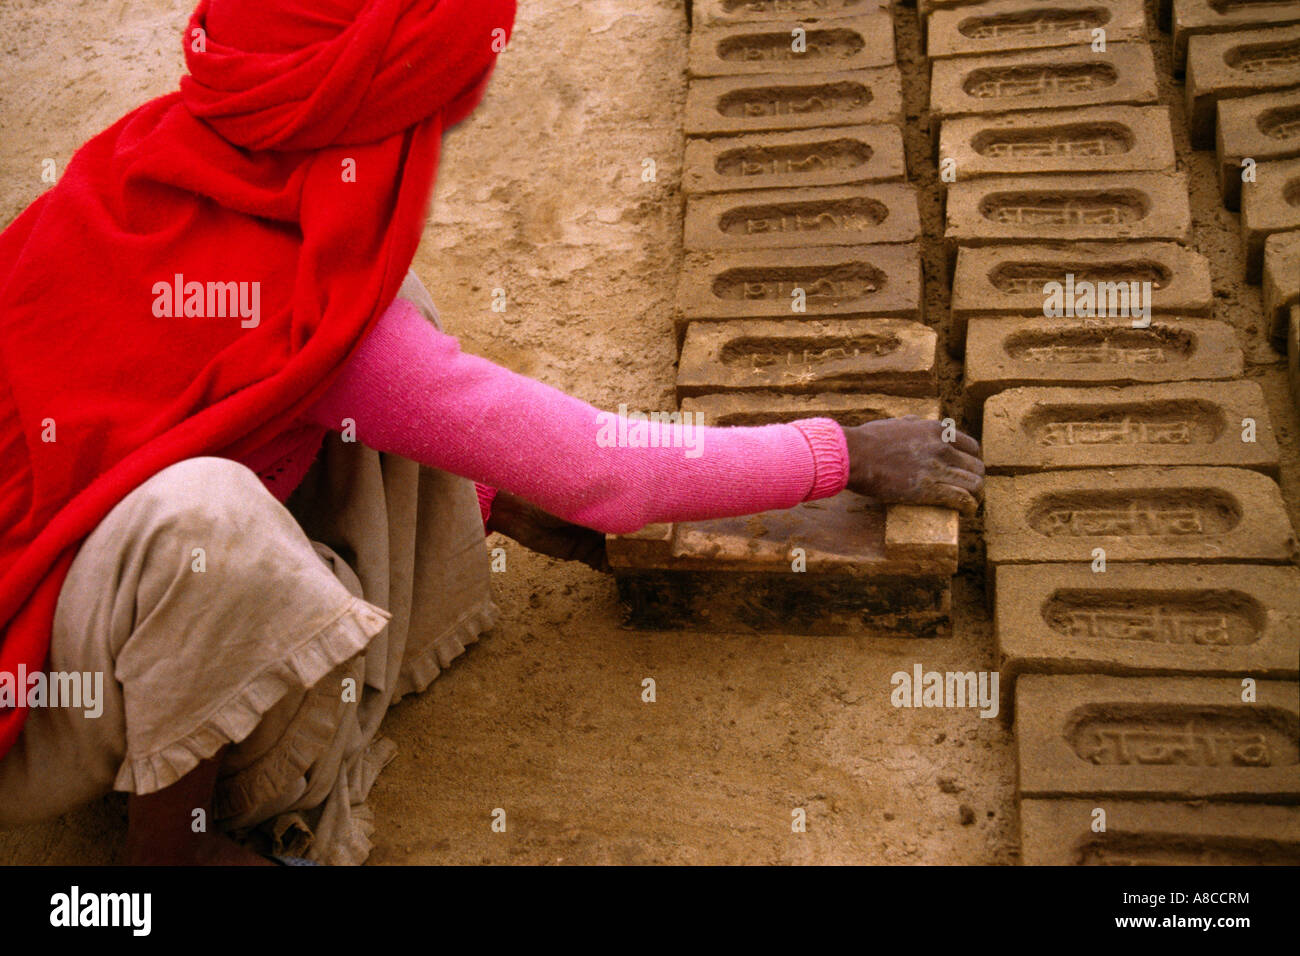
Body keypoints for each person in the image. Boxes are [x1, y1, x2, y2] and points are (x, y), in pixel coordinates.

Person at [0, 0, 983, 865]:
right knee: (208, 527)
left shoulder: (158, 161)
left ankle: (449, 539)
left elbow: (356, 403)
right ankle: (177, 849)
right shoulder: (304, 294)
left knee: (362, 340)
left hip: (52, 584)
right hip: (32, 703)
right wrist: (844, 451)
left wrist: (501, 503)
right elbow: (603, 469)